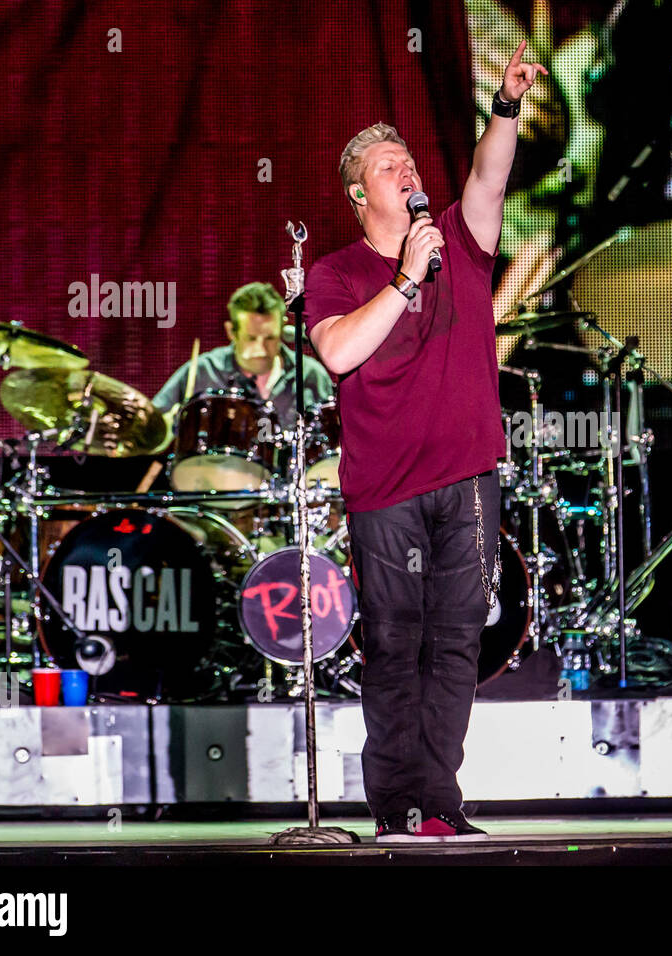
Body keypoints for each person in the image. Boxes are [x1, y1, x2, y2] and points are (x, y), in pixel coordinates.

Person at [304, 42, 548, 843]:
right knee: (396, 646)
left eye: (409, 160)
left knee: (455, 643)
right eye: (386, 166)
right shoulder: (336, 270)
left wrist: (505, 106)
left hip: (468, 475)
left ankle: (440, 804)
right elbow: (339, 350)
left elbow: (489, 177)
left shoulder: (457, 239)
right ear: (356, 193)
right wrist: (403, 279)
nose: (406, 172)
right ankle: (396, 805)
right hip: (386, 490)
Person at [153, 280, 333, 430]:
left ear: (282, 327)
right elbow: (153, 426)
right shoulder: (203, 371)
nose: (260, 349)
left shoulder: (310, 375)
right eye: (251, 338)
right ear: (231, 331)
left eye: (270, 337)